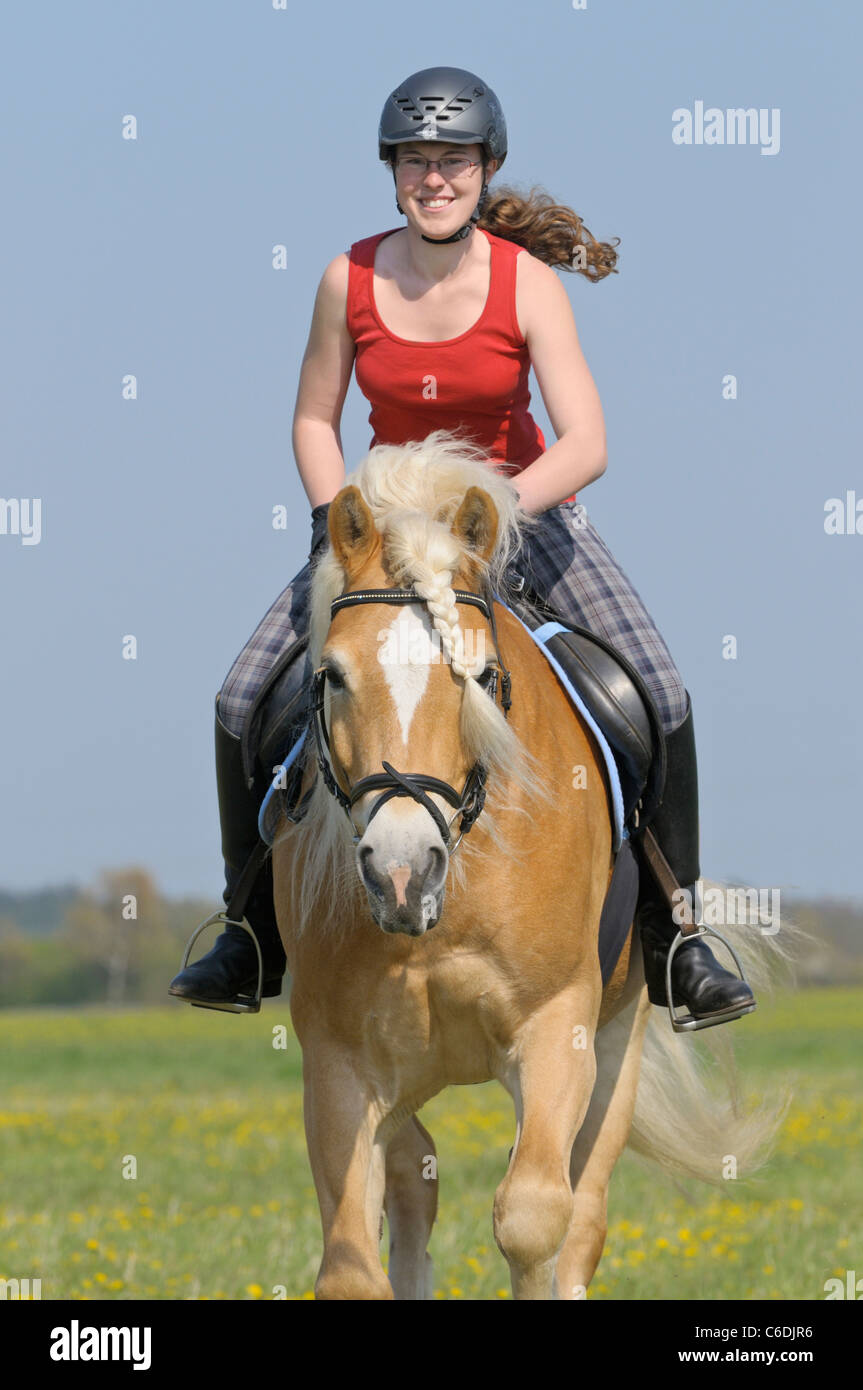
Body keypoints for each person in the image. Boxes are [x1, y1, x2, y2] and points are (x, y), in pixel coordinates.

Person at [170, 66, 755, 1029]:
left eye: (452, 161)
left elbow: (587, 443)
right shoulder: (345, 278)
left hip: (522, 525)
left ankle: (677, 935)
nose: (432, 178)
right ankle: (249, 934)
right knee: (242, 700)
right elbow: (315, 420)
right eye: (414, 162)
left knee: (660, 690)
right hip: (383, 535)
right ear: (391, 172)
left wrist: (490, 515)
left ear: (486, 170)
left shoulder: (526, 283)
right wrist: (337, 522)